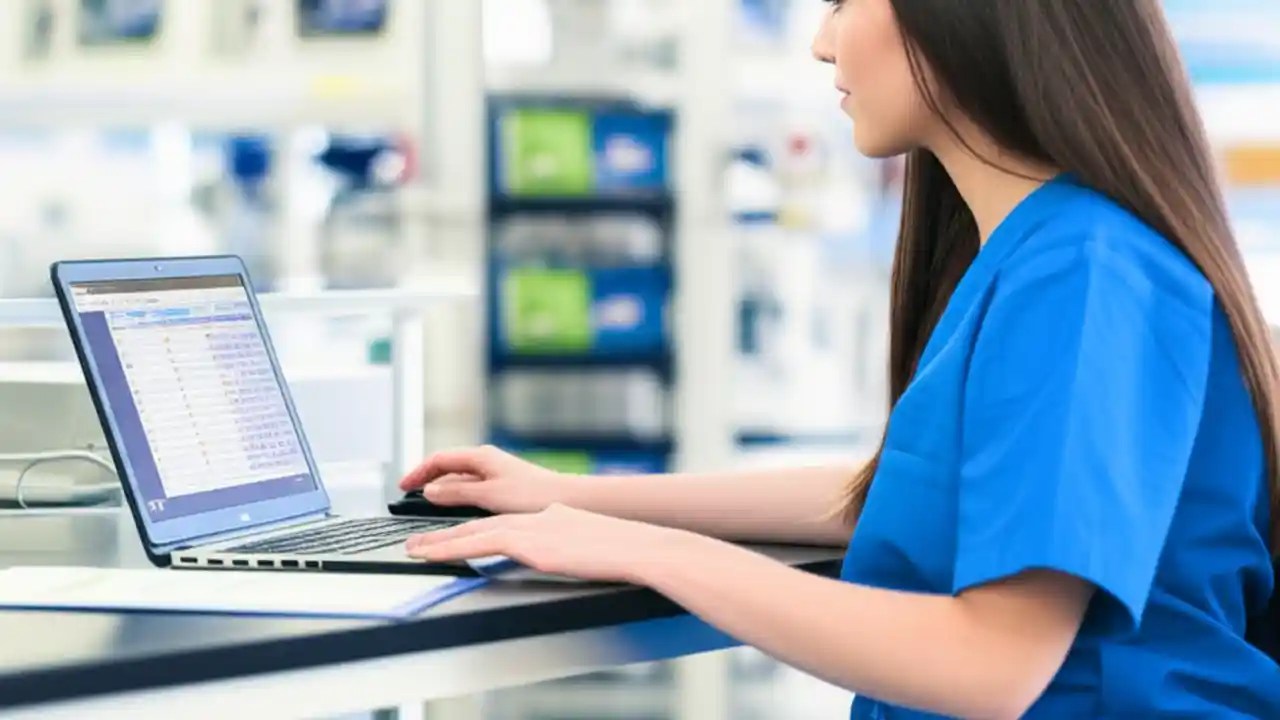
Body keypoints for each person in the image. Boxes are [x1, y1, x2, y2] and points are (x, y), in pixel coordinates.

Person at [401, 1, 1280, 717]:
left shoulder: (1085, 270)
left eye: (842, 1)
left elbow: (995, 665)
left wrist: (646, 550)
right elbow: (892, 494)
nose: (822, 43)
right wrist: (573, 496)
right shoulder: (1040, 251)